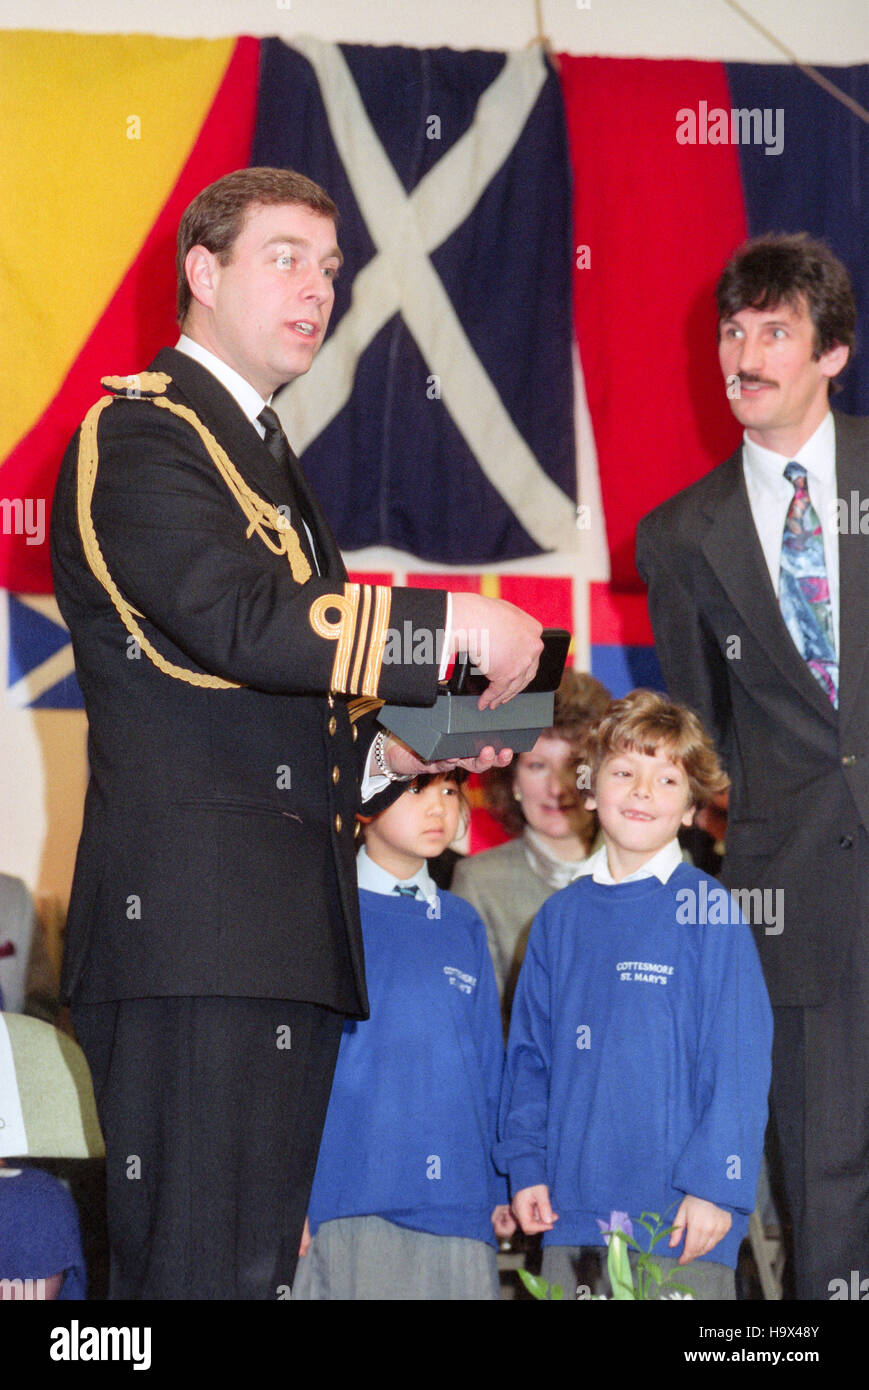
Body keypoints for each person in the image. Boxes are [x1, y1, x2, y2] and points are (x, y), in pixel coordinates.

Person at [49, 166, 543, 1300]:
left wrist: (402, 752)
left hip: (270, 934)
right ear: (202, 272)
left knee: (244, 1273)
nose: (317, 287)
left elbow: (272, 705)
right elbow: (237, 620)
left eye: (329, 267)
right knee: (192, 1276)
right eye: (284, 257)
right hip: (194, 930)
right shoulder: (138, 432)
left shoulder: (264, 456)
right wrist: (445, 621)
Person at [635, 232, 868, 1301]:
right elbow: (702, 737)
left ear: (833, 352)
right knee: (823, 1191)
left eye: (773, 330)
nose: (744, 352)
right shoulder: (678, 536)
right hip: (792, 905)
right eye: (731, 330)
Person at [497, 691, 772, 1299]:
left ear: (690, 808)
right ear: (590, 790)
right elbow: (529, 1062)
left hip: (679, 1220)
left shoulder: (710, 911)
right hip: (571, 1216)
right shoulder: (557, 920)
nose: (643, 791)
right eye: (624, 772)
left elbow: (740, 1063)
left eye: (666, 778)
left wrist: (716, 1188)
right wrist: (527, 1166)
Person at [293, 770, 512, 1299]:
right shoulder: (321, 914)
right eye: (416, 788)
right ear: (361, 803)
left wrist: (501, 1180)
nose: (439, 807)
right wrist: (289, 1194)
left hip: (461, 1204)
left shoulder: (462, 922)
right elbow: (290, 1070)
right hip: (354, 1196)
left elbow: (489, 1064)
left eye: (449, 790)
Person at [451, 670, 610, 1029]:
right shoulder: (479, 882)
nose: (557, 788)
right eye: (537, 766)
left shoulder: (654, 871)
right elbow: (479, 1028)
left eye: (572, 766)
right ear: (513, 781)